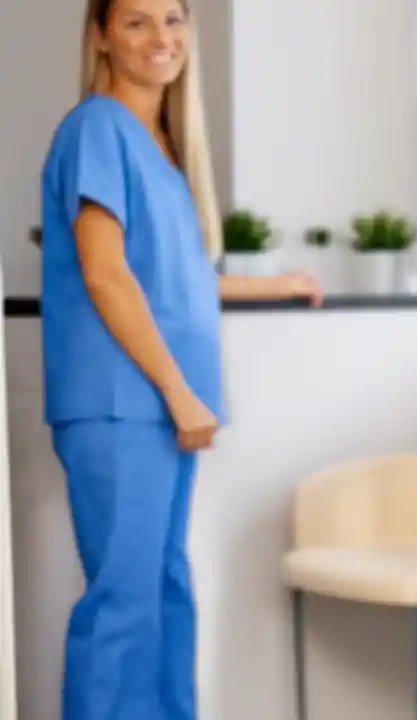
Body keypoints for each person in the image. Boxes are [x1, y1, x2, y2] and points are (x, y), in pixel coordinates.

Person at [41, 1, 322, 717]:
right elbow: (106, 275)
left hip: (157, 407)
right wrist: (180, 392)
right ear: (102, 37)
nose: (161, 38)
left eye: (173, 19)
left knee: (164, 592)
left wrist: (278, 284)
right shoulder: (99, 128)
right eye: (136, 22)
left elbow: (174, 274)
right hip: (122, 401)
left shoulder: (160, 143)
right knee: (125, 601)